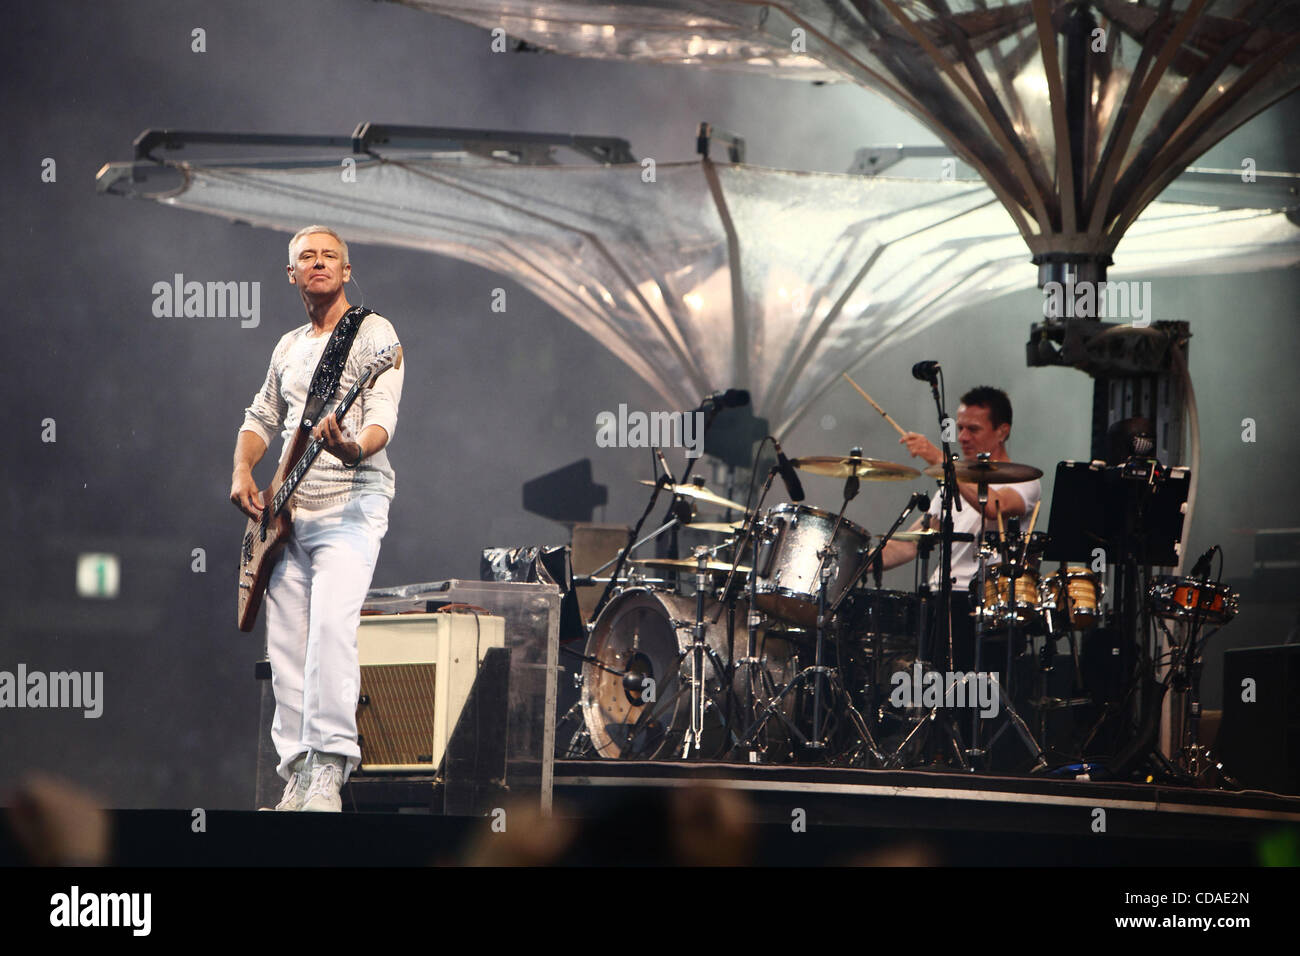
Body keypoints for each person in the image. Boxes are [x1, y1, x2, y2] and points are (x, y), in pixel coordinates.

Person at [230, 226, 404, 811]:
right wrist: (241, 473)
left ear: (347, 270)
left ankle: (330, 765)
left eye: (331, 255)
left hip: (352, 504)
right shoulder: (287, 346)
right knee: (286, 644)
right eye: (307, 256)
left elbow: (381, 418)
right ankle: (299, 772)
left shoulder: (375, 334)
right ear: (292, 274)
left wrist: (354, 447)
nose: (319, 262)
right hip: (286, 514)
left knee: (331, 628)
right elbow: (261, 415)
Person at [878, 386, 1040, 672]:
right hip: (940, 599)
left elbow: (994, 507)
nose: (962, 437)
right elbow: (912, 543)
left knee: (970, 699)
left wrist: (940, 462)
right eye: (960, 428)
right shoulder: (954, 482)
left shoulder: (1024, 481)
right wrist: (856, 561)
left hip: (984, 605)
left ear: (1002, 431)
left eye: (973, 429)